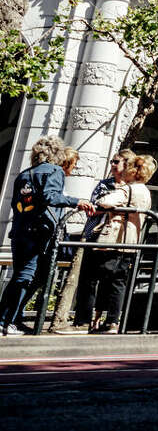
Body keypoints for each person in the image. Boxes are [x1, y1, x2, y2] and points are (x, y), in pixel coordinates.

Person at [1, 136, 93, 335]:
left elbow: (17, 204)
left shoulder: (25, 174)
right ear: (57, 154)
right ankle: (6, 321)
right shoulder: (55, 171)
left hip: (20, 231)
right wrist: (77, 201)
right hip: (38, 232)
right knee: (28, 276)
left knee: (25, 275)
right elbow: (50, 196)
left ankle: (11, 318)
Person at [72, 152, 154, 334]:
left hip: (115, 238)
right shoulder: (146, 191)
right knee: (118, 281)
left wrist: (104, 204)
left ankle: (97, 320)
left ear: (134, 171)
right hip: (132, 241)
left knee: (102, 277)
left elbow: (106, 201)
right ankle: (112, 322)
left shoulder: (128, 189)